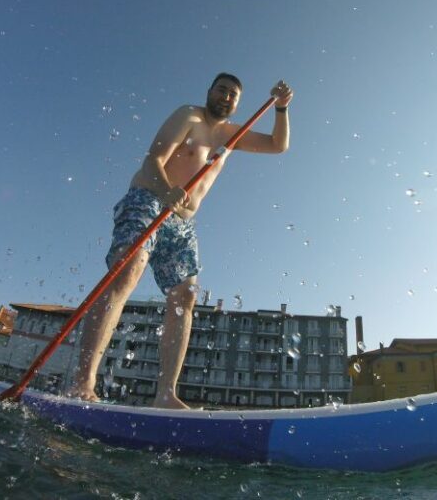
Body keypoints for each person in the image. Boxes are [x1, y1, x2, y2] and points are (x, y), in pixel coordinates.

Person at [66, 73, 293, 408]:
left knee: (184, 296)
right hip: (148, 198)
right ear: (209, 92)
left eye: (233, 94)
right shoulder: (189, 115)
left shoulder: (232, 135)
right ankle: (83, 382)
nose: (226, 97)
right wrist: (165, 190)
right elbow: (153, 160)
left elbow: (278, 145)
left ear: (237, 103)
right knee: (127, 273)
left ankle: (165, 394)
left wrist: (282, 109)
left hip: (182, 221)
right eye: (221, 90)